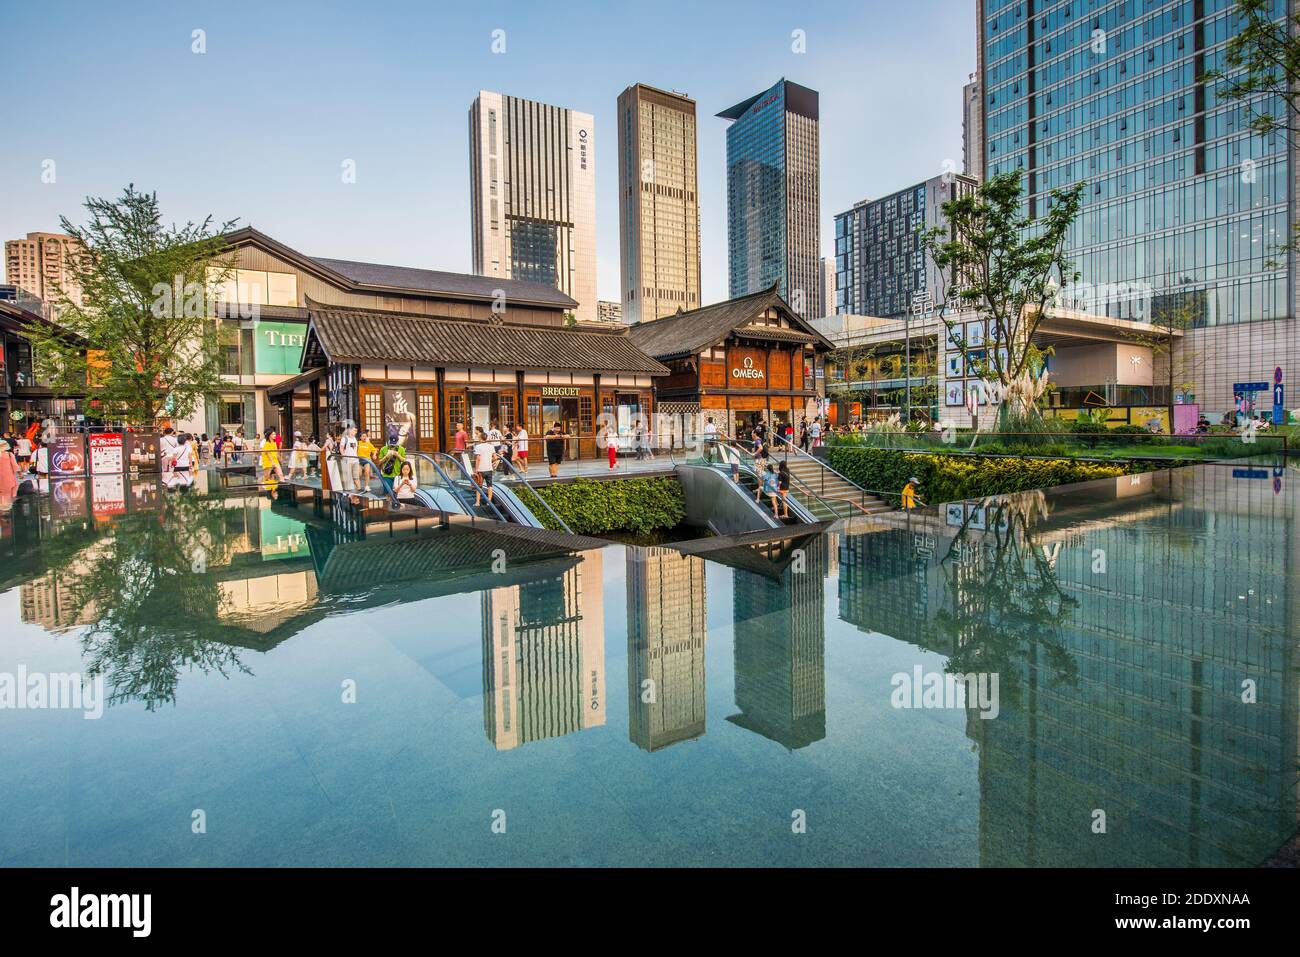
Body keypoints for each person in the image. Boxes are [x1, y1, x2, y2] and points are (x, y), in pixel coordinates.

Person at [472, 426, 497, 506]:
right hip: (489, 469)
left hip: (481, 469)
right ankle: (489, 502)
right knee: (490, 486)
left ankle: (478, 502)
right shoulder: (491, 446)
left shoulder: (478, 447)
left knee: (479, 486)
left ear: (480, 438)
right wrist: (489, 461)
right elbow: (495, 458)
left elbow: (478, 459)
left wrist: (476, 469)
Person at [338, 425, 359, 489]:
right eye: (354, 430)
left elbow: (356, 449)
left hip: (355, 460)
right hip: (348, 460)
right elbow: (341, 448)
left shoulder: (355, 439)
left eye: (356, 431)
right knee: (348, 476)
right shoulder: (344, 438)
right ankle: (348, 490)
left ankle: (359, 489)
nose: (355, 432)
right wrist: (344, 457)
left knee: (356, 477)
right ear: (350, 430)